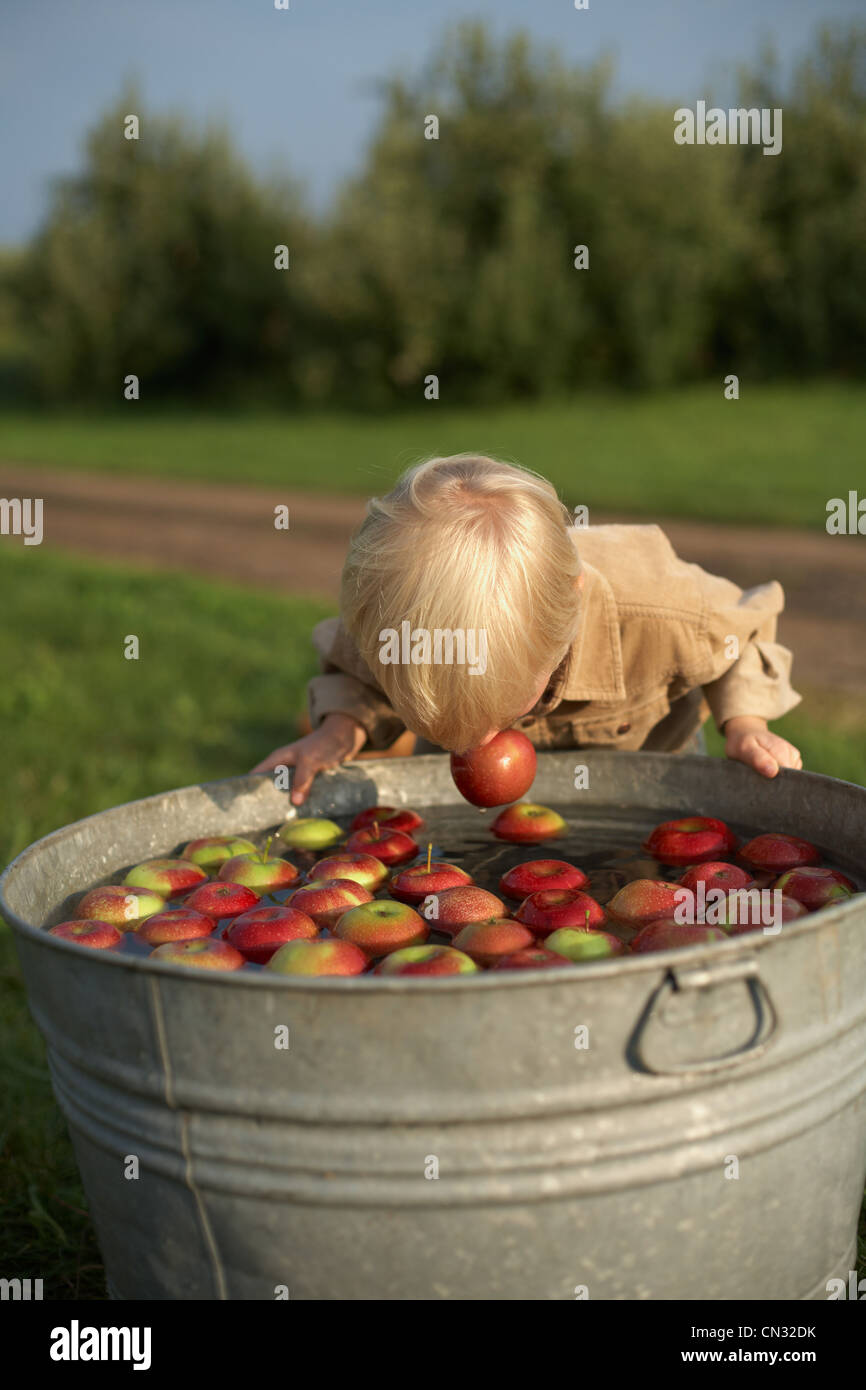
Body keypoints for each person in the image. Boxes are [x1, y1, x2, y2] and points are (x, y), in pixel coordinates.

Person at [252, 454, 802, 804]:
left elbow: (744, 637)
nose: (479, 745)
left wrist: (743, 722)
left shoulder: (665, 609)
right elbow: (356, 675)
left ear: (571, 608)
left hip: (648, 800)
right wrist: (339, 730)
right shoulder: (399, 627)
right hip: (472, 816)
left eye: (499, 713)